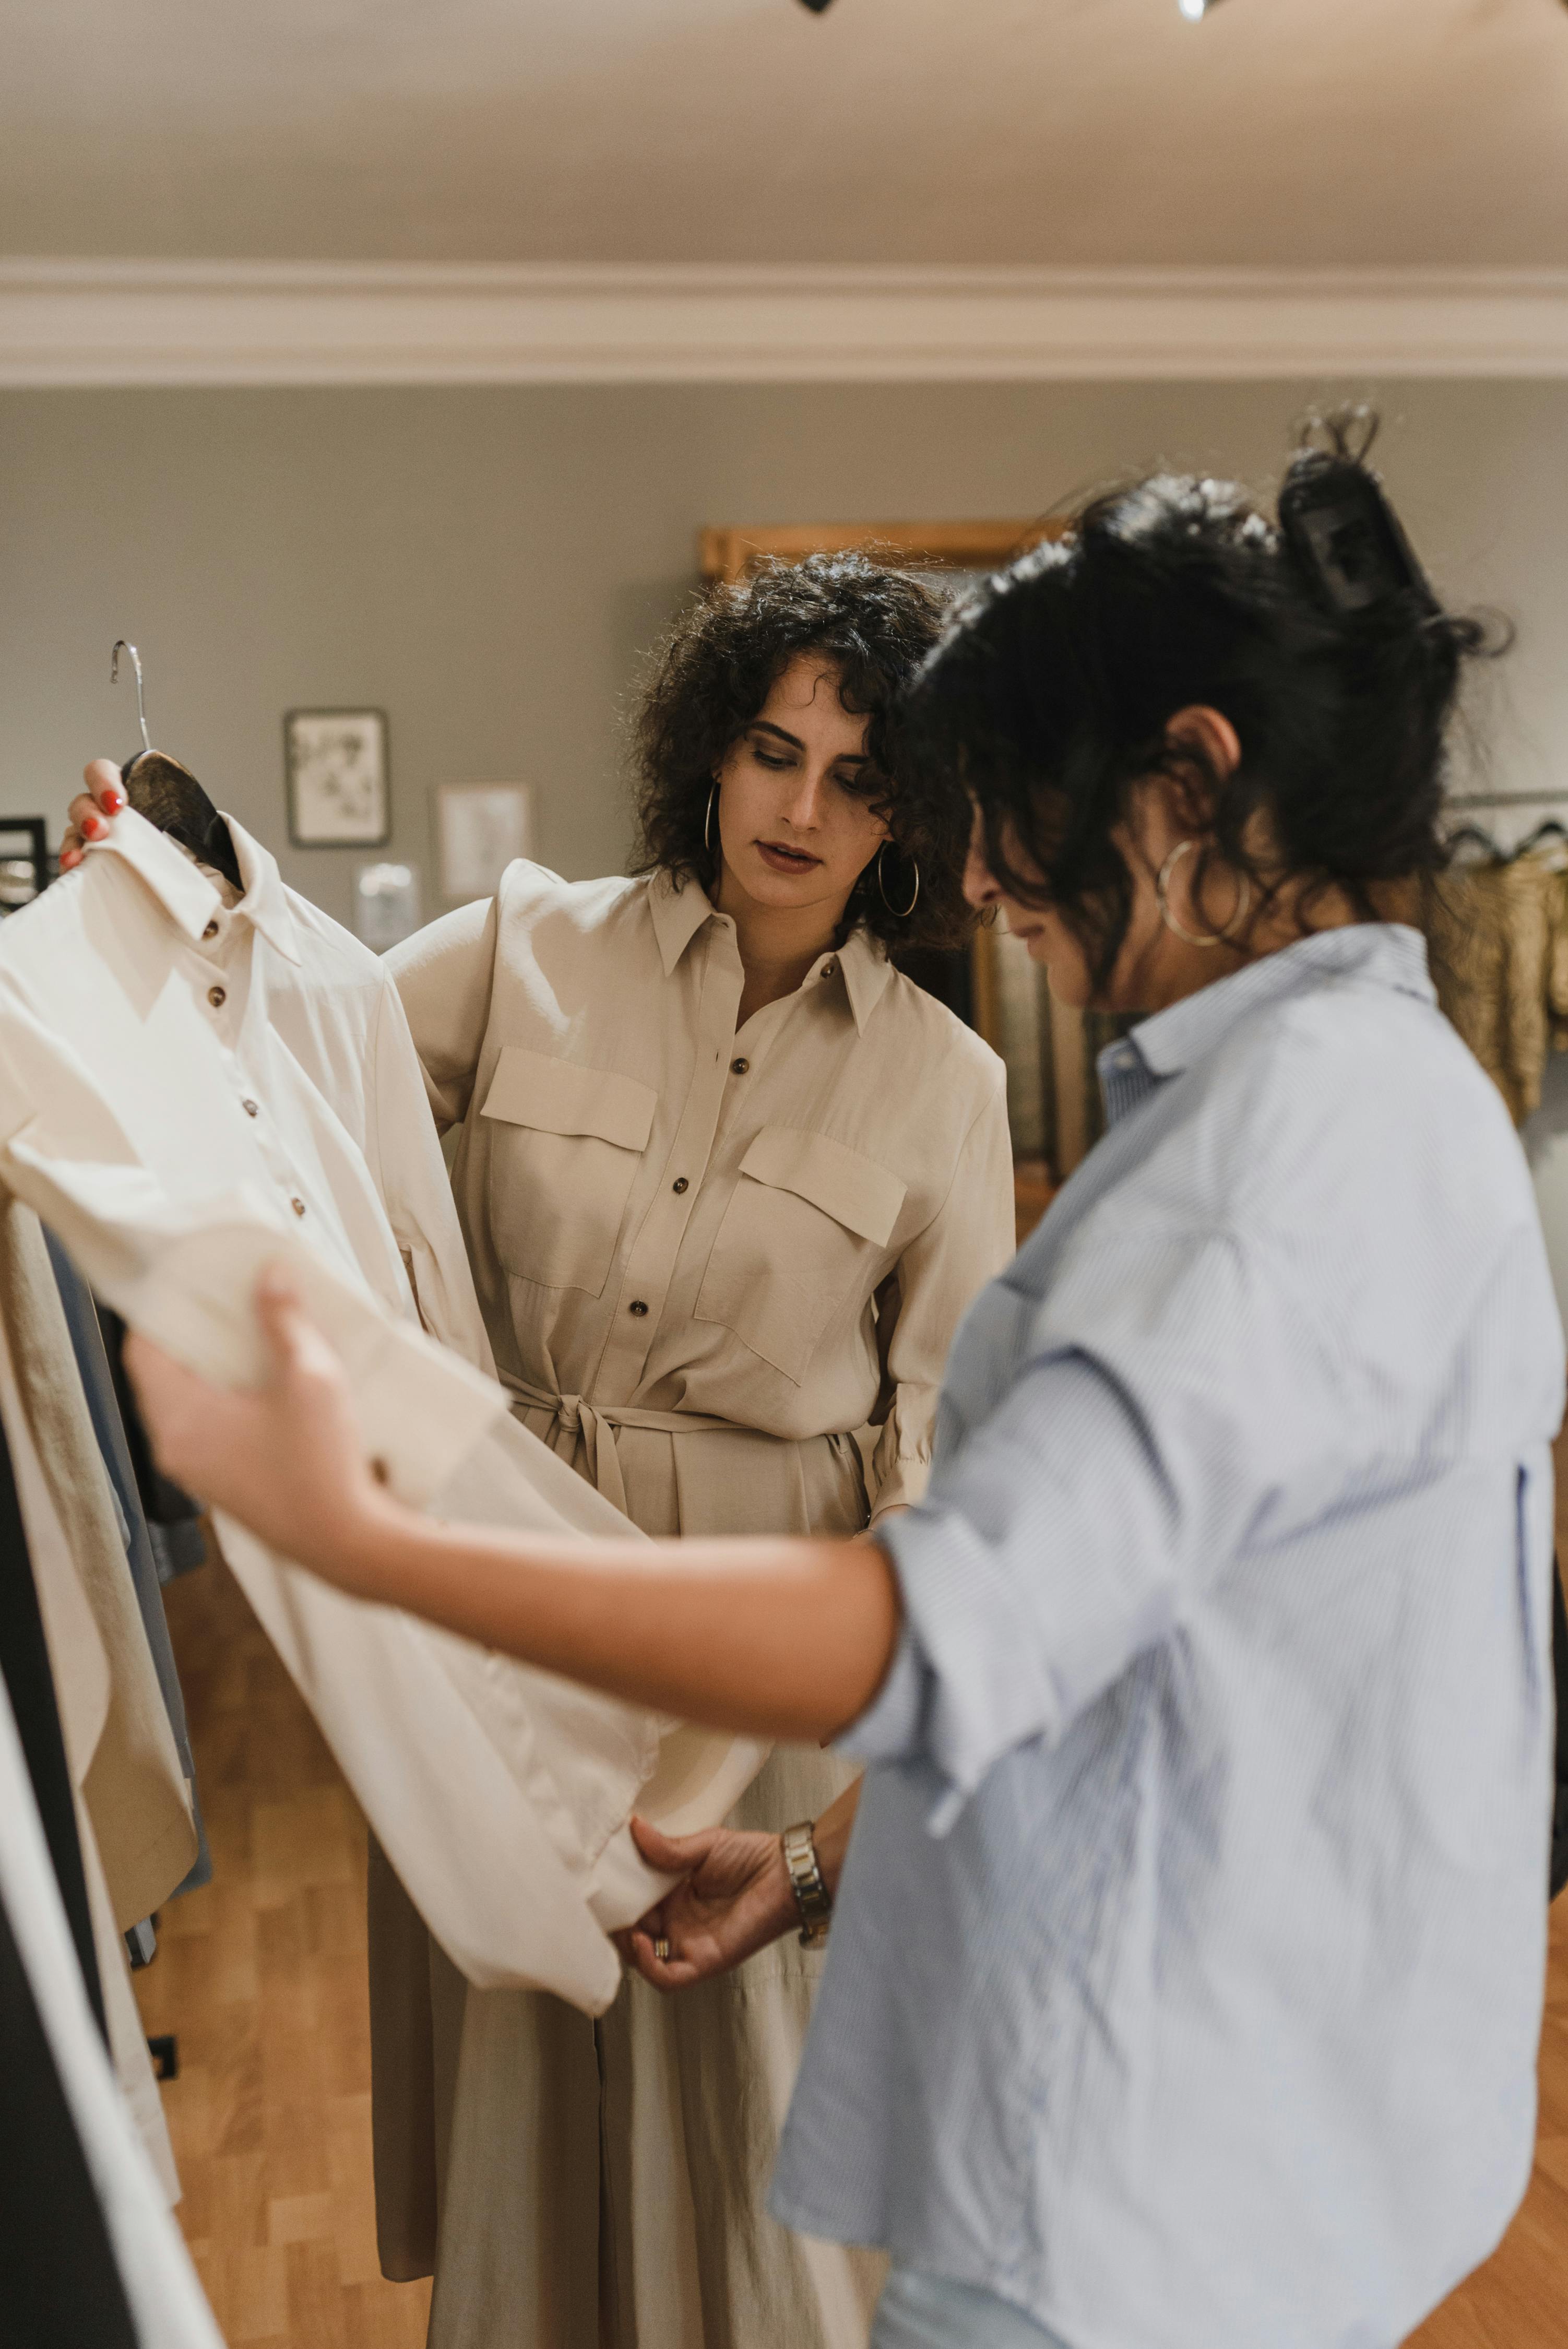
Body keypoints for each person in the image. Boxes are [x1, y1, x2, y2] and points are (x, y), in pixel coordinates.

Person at [126, 424, 1564, 2349]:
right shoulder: (1364, 1100)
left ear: (1185, 783)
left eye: (1000, 802)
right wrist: (816, 1862)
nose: (980, 868)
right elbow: (1085, 1625)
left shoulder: (1269, 1161)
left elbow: (942, 1609)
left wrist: (374, 1542)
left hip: (1135, 2167)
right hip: (1201, 2123)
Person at [67, 553, 1015, 2349]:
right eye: (772, 749)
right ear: (708, 749)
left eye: (858, 776)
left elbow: (941, 1444)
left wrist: (856, 1784)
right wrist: (153, 889)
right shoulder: (522, 947)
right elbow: (286, 1039)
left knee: (742, 2126)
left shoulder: (946, 1084)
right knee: (524, 2061)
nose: (801, 806)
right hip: (505, 1594)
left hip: (755, 1653)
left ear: (910, 815)